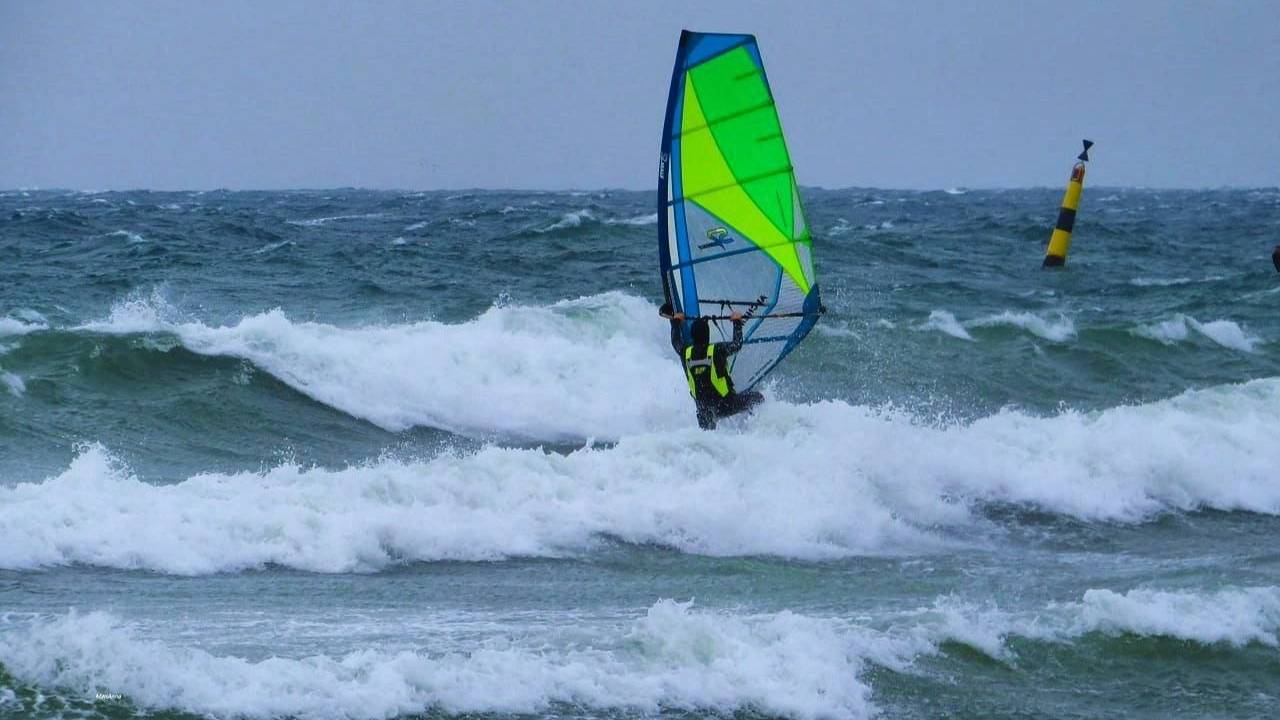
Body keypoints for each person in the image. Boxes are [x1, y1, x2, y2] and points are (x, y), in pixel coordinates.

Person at [660, 302, 764, 430]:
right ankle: (759, 429)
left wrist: (675, 323)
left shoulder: (685, 352)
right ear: (708, 336)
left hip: (704, 411)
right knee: (758, 398)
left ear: (692, 336)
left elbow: (675, 341)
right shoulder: (716, 350)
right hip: (727, 405)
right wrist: (737, 322)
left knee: (707, 441)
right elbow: (737, 345)